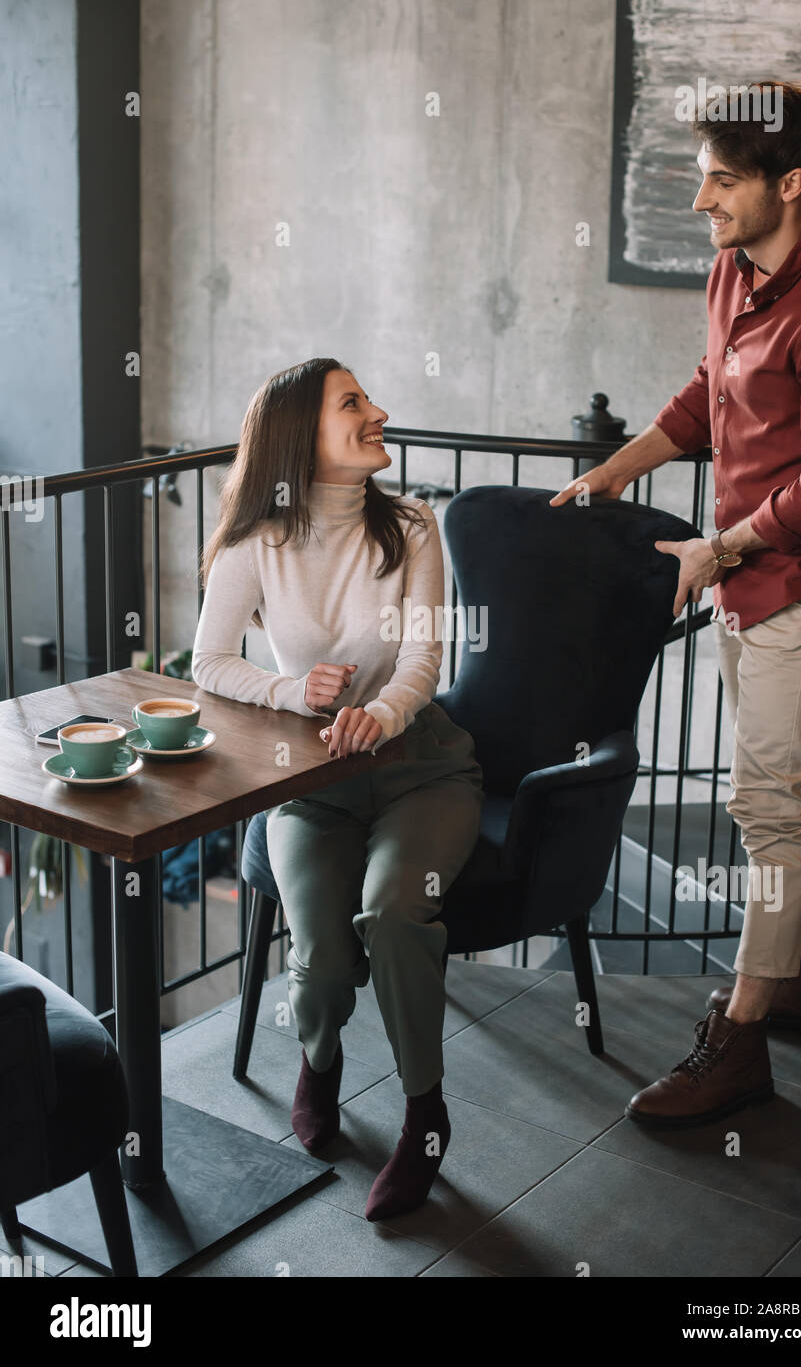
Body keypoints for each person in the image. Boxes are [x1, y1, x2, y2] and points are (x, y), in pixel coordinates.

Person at [551, 81, 801, 1127]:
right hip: (739, 572)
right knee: (792, 787)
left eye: (722, 181)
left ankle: (738, 1042)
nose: (702, 201)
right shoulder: (736, 267)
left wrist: (721, 546)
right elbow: (707, 395)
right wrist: (617, 471)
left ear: (790, 184)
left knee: (764, 806)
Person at [192, 358, 483, 1215]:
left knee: (393, 912)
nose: (378, 412)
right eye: (353, 404)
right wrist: (292, 691)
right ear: (299, 436)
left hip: (419, 767)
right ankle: (320, 1065)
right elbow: (208, 661)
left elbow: (426, 658)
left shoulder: (414, 528)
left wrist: (381, 714)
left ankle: (424, 1115)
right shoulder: (257, 542)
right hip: (309, 779)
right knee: (317, 959)